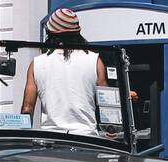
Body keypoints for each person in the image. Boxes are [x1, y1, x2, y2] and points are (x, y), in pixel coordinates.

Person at [20, 7, 108, 137]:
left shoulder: (37, 64)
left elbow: (27, 108)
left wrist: (23, 139)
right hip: (87, 139)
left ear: (50, 34)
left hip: (52, 140)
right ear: (78, 33)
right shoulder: (95, 61)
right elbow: (106, 104)